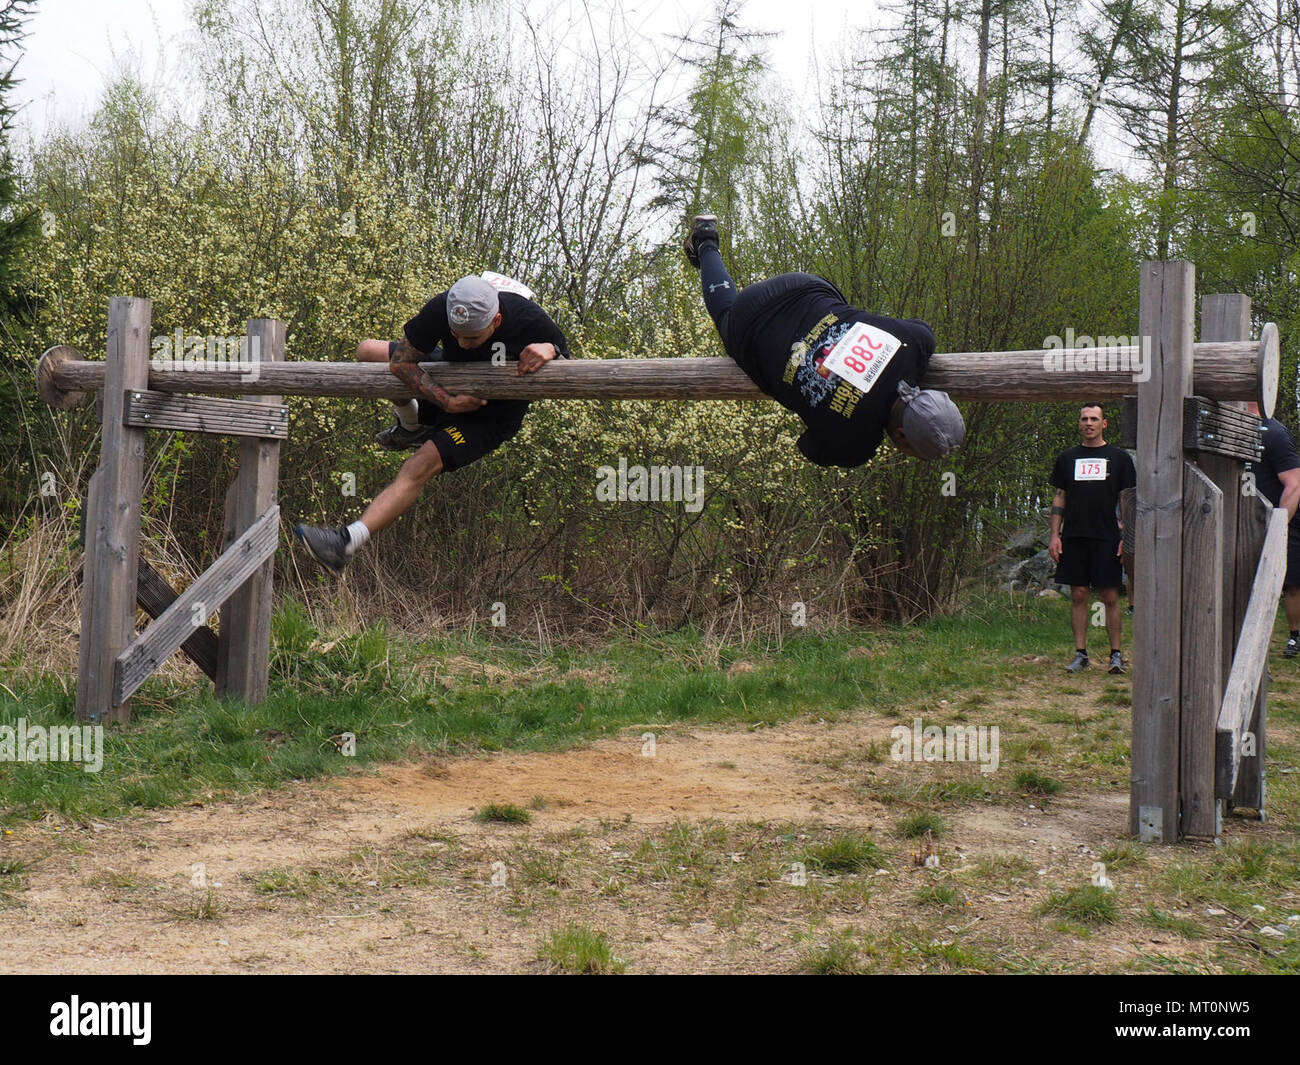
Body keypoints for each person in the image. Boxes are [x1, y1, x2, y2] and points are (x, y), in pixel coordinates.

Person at [294, 275, 569, 573]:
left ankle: (344, 544)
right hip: (449, 384)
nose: (463, 344)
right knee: (367, 351)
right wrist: (446, 401)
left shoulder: (528, 318)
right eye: (457, 335)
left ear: (497, 320)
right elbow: (401, 363)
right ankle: (412, 427)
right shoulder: (442, 305)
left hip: (490, 414)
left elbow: (569, 369)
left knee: (418, 465)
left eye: (473, 338)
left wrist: (550, 350)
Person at [682, 215, 964, 467]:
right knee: (727, 321)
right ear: (902, 435)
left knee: (845, 312)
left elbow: (921, 327)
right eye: (913, 451)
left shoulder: (916, 344)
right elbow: (808, 446)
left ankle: (707, 234)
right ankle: (706, 241)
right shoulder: (854, 446)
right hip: (752, 319)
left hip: (803, 286)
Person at [1048, 404, 1136, 673]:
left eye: (1094, 419)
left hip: (1107, 536)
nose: (1089, 423)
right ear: (1079, 423)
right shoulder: (1067, 458)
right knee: (1079, 594)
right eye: (1085, 419)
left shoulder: (1119, 458)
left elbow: (1127, 499)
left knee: (1110, 594)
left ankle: (1116, 655)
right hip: (1074, 536)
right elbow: (1060, 495)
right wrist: (1055, 535)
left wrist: (1127, 537)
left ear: (1104, 424)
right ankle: (1080, 653)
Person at [1245, 402, 1300, 656]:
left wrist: (1279, 529)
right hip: (1245, 526)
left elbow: (1294, 485)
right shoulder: (1231, 432)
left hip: (1277, 525)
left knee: (1291, 584)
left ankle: (1294, 635)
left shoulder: (1273, 433)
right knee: (1247, 585)